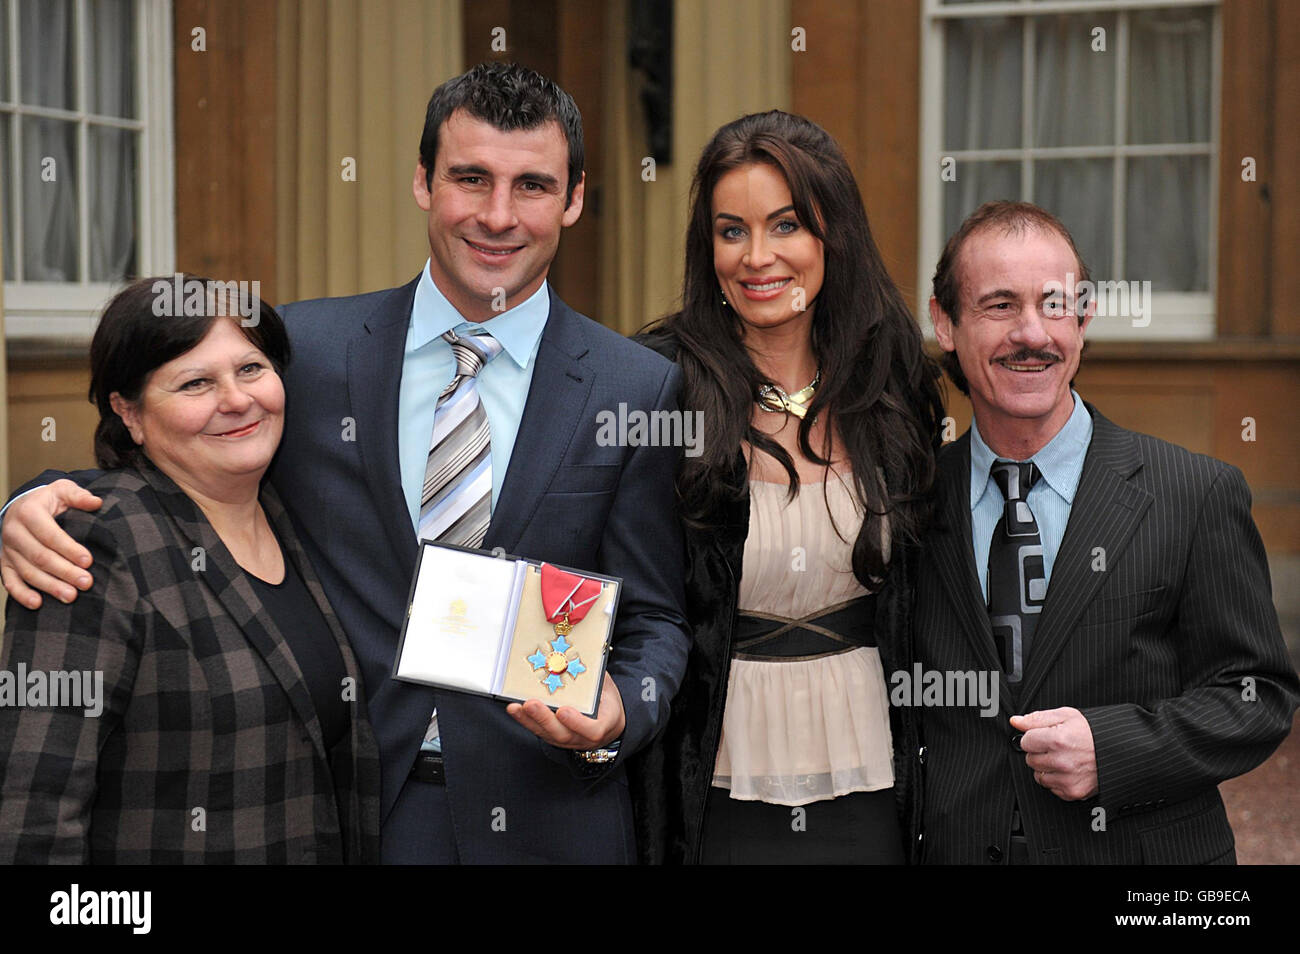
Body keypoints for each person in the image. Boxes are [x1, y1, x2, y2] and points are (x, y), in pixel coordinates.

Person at [0, 62, 690, 864]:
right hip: (353, 814)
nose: (499, 216)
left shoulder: (635, 387)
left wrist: (621, 713)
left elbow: (657, 618)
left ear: (572, 199)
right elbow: (186, 457)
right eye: (470, 178)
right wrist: (33, 502)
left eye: (532, 185)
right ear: (423, 182)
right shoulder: (303, 357)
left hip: (549, 816)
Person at [916, 199, 1300, 864]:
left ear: (1085, 319)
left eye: (1055, 304)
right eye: (1000, 305)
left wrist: (1115, 747)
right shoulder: (908, 503)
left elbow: (1259, 696)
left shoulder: (1194, 494)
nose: (1032, 333)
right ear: (945, 322)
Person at [633, 111, 944, 863]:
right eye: (731, 230)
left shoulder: (893, 379)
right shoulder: (658, 386)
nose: (757, 257)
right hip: (709, 772)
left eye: (786, 225)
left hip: (874, 761)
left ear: (832, 234)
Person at [0, 278, 380, 863]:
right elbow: (33, 809)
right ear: (130, 413)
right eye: (195, 383)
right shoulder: (94, 547)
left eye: (250, 369)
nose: (235, 399)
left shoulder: (290, 516)